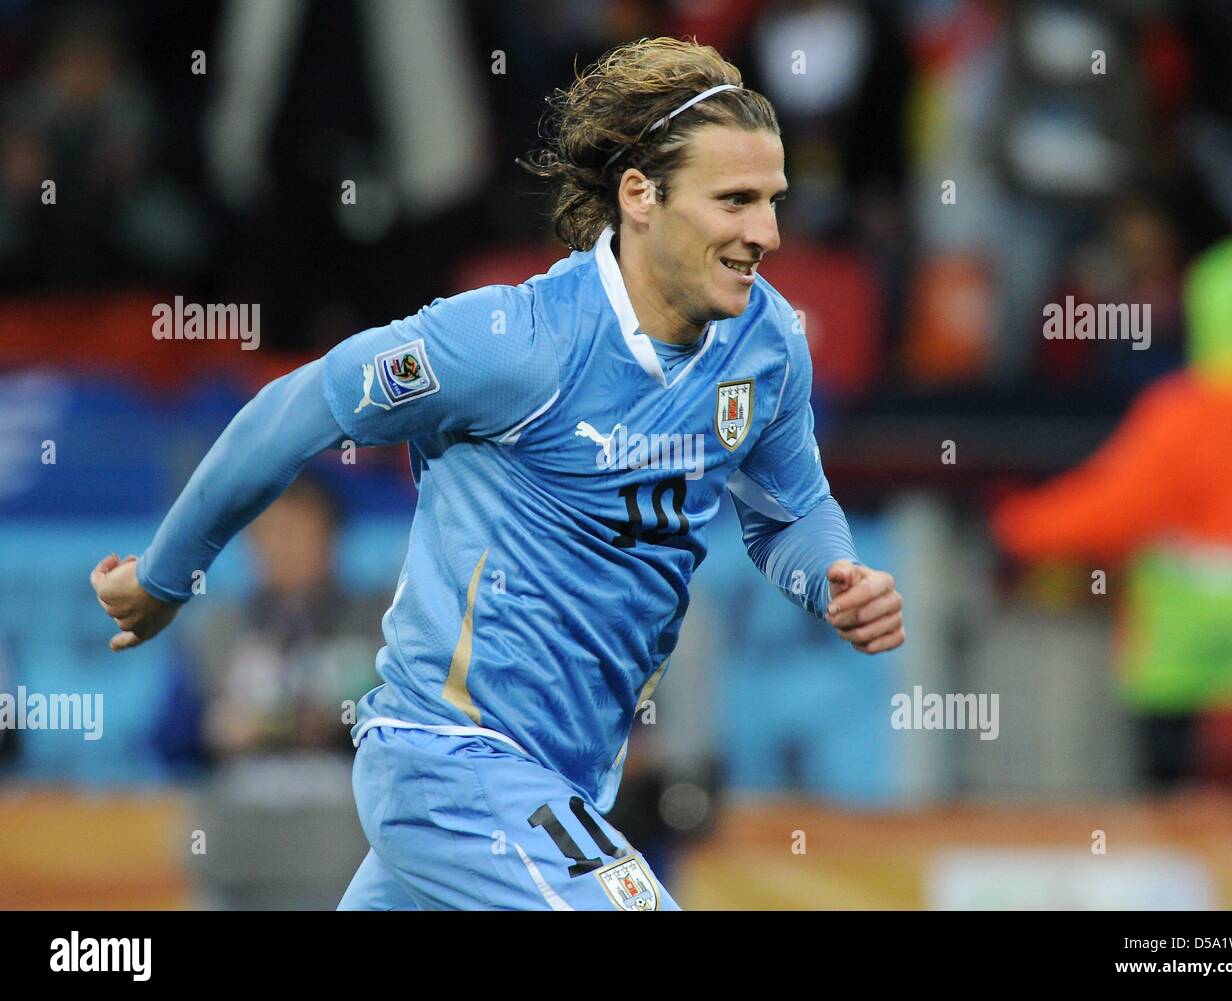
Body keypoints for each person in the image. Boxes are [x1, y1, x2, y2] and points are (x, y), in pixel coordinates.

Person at [89, 37, 904, 911]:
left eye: (773, 201)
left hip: (568, 778)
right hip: (450, 761)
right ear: (641, 196)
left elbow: (789, 509)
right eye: (735, 201)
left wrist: (831, 574)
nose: (767, 234)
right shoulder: (515, 344)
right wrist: (165, 576)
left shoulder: (767, 341)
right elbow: (296, 409)